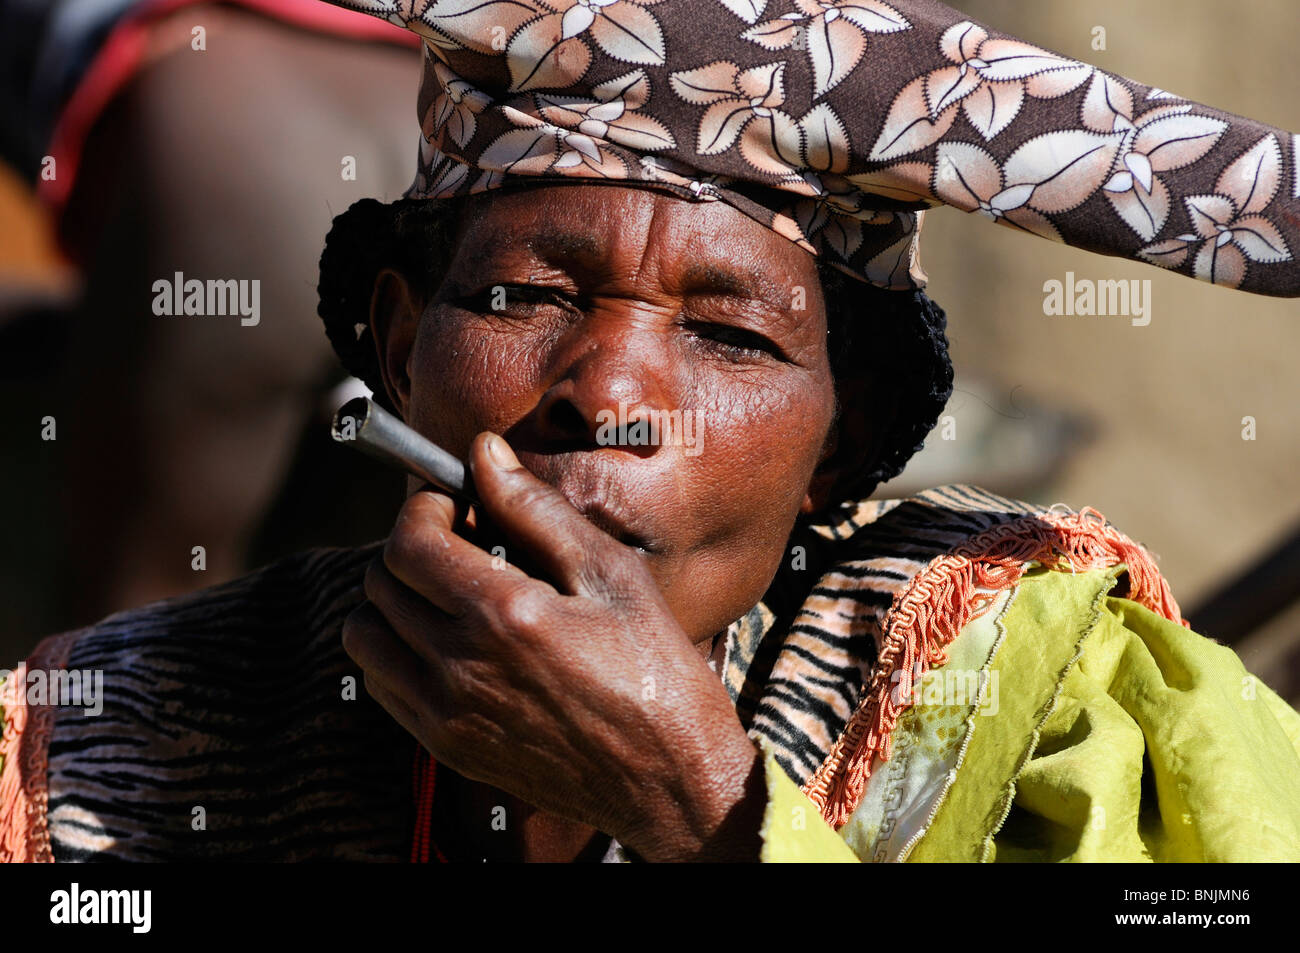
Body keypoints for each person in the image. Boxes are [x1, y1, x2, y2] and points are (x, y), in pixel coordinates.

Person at [3, 0, 1300, 862]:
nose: (608, 393)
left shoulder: (1062, 705)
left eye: (733, 335)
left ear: (836, 443)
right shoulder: (106, 753)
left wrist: (697, 804)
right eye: (523, 296)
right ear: (400, 348)